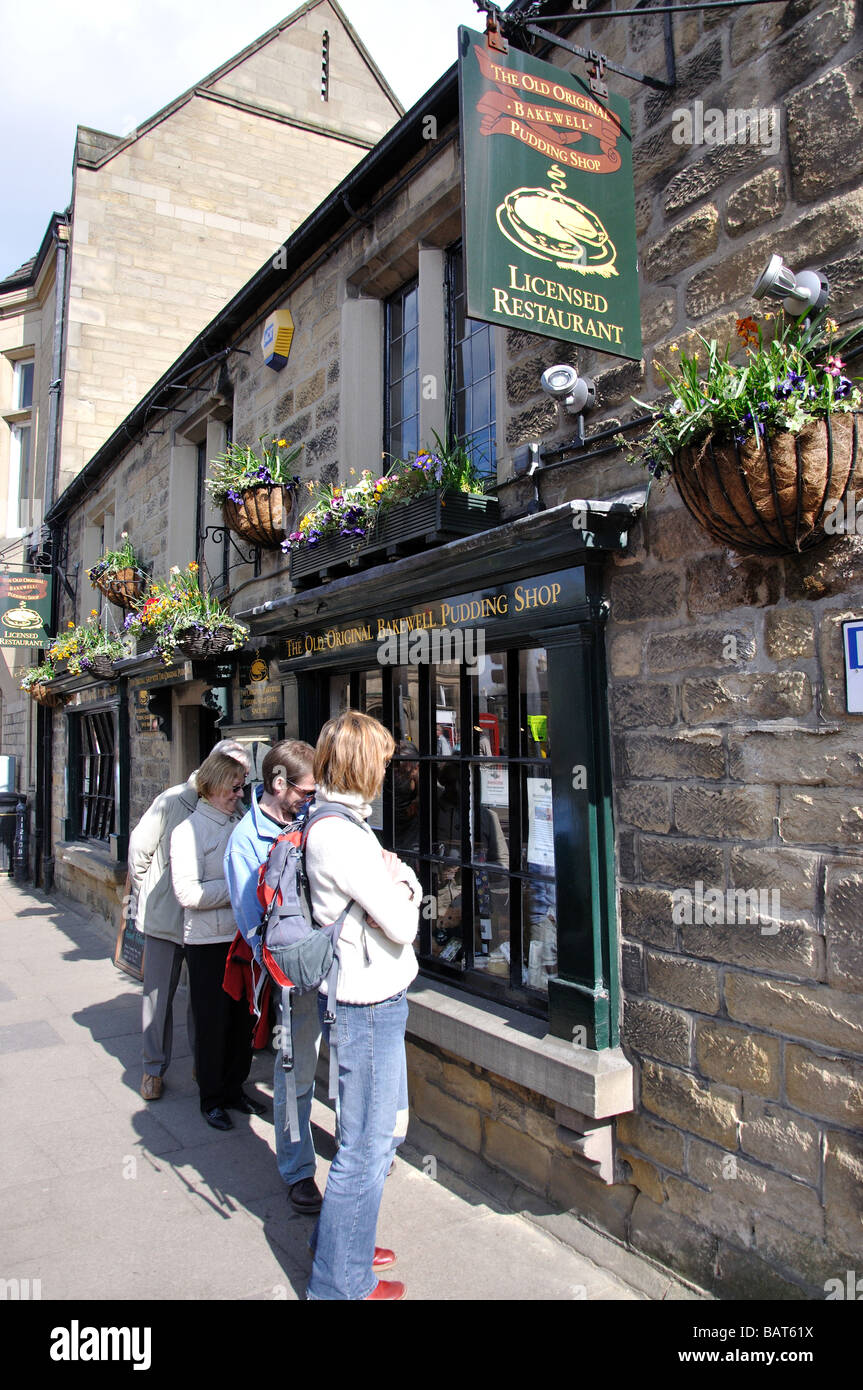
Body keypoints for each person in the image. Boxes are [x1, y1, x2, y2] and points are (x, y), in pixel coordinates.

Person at [305, 710, 421, 1302]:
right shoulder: (343, 836)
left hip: (362, 995)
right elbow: (401, 921)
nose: (386, 767)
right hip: (367, 1001)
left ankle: (344, 1242)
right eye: (380, 757)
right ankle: (339, 1283)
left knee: (371, 1138)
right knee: (366, 1145)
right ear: (358, 763)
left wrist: (392, 880)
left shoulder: (335, 821)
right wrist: (406, 883)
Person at [224, 739, 323, 1215]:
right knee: (295, 1077)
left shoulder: (312, 819)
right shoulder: (245, 841)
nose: (311, 798)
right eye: (305, 791)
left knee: (346, 1066)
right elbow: (251, 925)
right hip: (292, 978)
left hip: (333, 966)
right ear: (278, 784)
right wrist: (286, 973)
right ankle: (297, 1171)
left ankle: (357, 1153)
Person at [129, 738, 249, 1102]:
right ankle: (153, 1069)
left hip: (209, 926)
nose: (239, 784)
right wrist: (155, 894)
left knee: (204, 1001)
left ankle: (204, 1065)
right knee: (158, 997)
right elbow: (139, 850)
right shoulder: (171, 801)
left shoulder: (236, 810)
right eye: (235, 775)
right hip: (168, 919)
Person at [170, 747, 263, 1131]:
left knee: (242, 1020)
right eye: (233, 788)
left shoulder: (240, 822)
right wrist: (239, 889)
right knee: (212, 1022)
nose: (239, 795)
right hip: (207, 944)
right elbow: (188, 894)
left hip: (240, 939)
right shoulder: (188, 831)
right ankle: (211, 1098)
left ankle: (233, 1088)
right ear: (211, 786)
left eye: (242, 788)